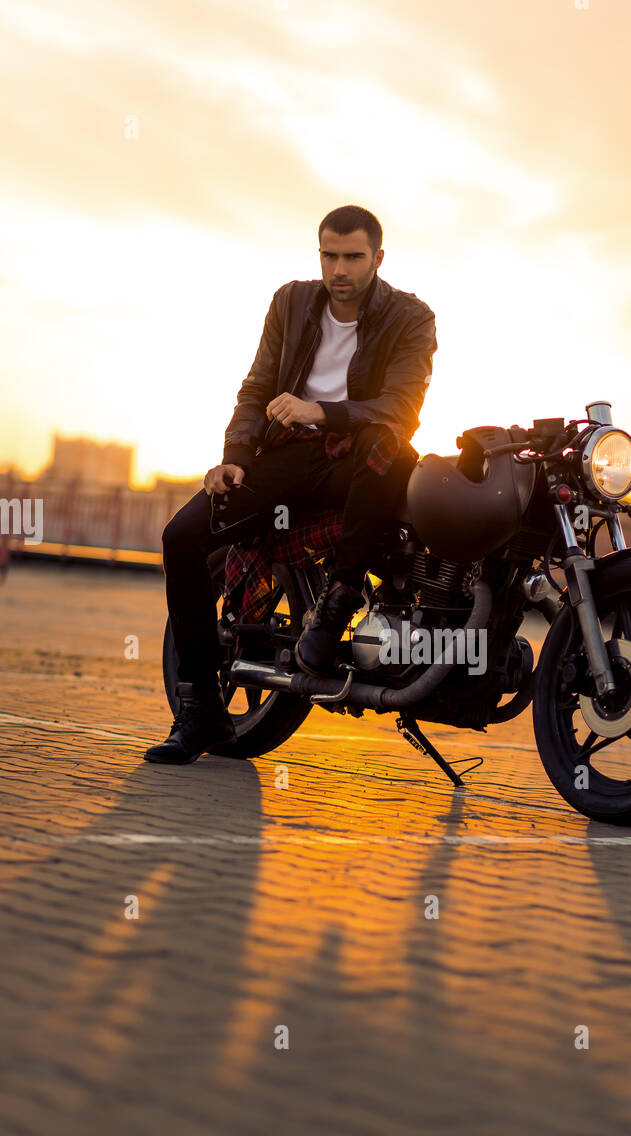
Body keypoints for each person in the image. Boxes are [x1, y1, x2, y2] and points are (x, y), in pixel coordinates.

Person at [145, 205, 436, 765]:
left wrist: (319, 412)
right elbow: (256, 387)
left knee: (391, 449)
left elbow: (401, 408)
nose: (339, 269)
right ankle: (201, 712)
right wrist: (234, 457)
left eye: (353, 256)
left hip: (355, 459)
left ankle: (336, 607)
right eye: (329, 255)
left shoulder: (410, 317)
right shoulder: (292, 302)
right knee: (181, 537)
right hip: (284, 458)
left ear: (378, 258)